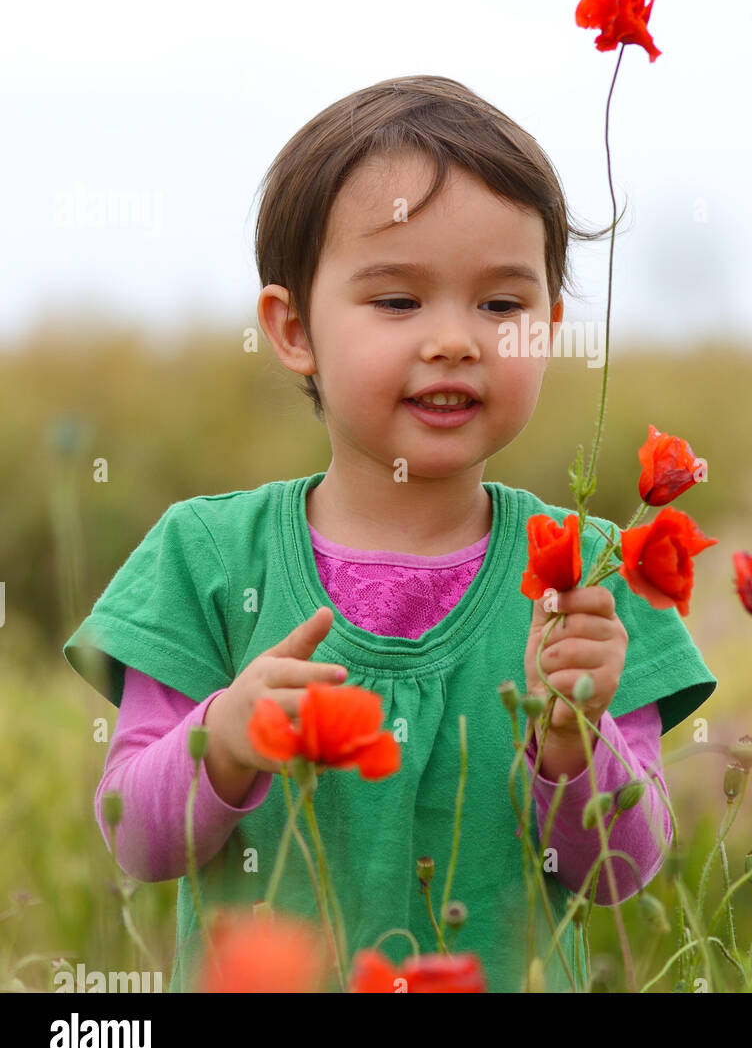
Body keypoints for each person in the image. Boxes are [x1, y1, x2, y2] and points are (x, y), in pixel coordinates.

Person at [62, 75, 717, 993]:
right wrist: (230, 732)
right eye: (399, 301)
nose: (455, 340)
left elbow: (618, 875)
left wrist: (572, 735)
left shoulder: (588, 577)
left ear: (549, 332)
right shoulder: (209, 558)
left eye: (500, 306)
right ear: (293, 331)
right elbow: (138, 839)